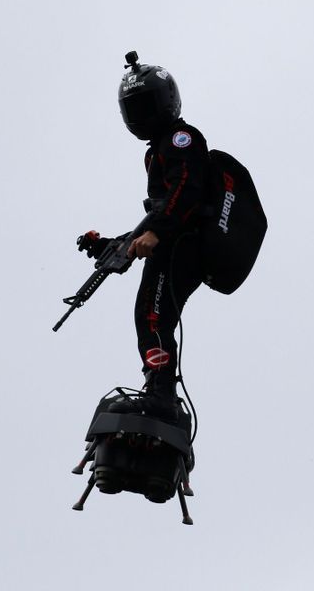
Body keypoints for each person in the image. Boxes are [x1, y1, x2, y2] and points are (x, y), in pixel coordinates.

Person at [78, 51, 209, 423]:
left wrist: (154, 231)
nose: (140, 117)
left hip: (184, 244)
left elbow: (186, 191)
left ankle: (162, 395)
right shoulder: (157, 153)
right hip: (174, 240)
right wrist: (113, 245)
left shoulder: (181, 138)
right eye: (132, 109)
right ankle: (159, 388)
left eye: (146, 106)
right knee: (151, 315)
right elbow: (162, 209)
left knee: (152, 315)